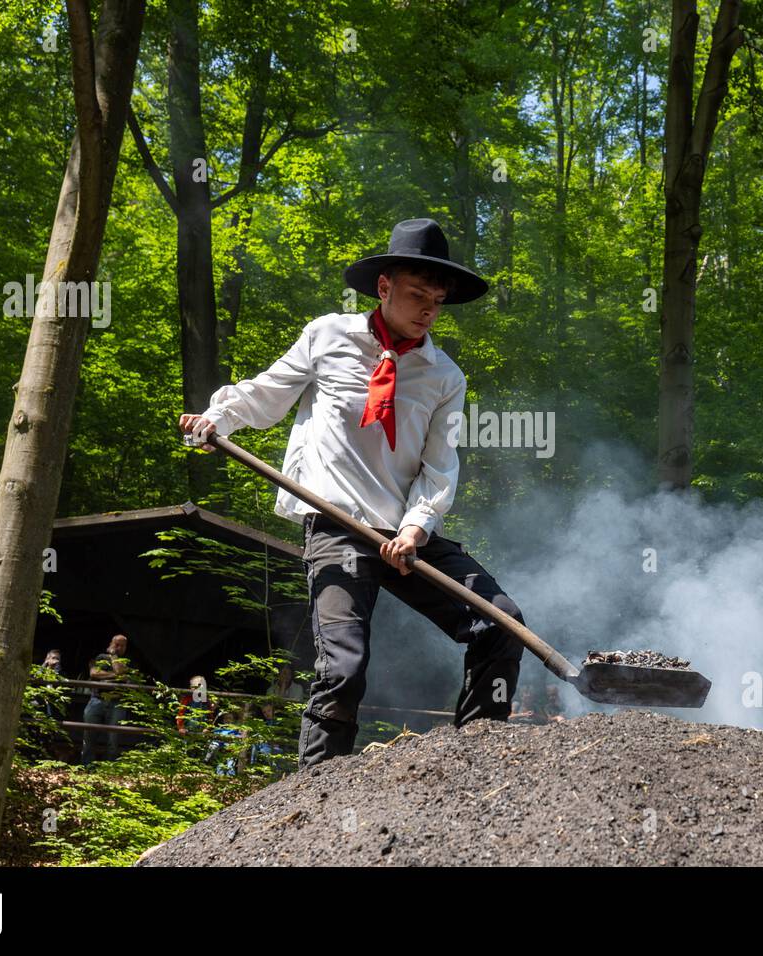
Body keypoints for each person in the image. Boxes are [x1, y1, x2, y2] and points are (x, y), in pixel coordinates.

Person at [180, 218, 526, 771]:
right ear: (384, 287)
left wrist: (415, 528)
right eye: (418, 295)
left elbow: (439, 469)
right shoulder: (326, 336)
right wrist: (215, 417)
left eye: (438, 300)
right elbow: (267, 395)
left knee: (502, 621)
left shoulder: (444, 376)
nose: (429, 310)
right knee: (342, 668)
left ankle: (476, 763)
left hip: (404, 534)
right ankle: (316, 793)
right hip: (336, 524)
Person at [81, 634, 130, 767]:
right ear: (111, 643)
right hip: (97, 699)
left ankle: (109, 769)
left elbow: (121, 672)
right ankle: (87, 766)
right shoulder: (101, 657)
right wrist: (116, 676)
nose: (119, 647)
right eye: (116, 644)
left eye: (122, 645)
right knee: (89, 735)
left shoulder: (128, 660)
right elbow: (94, 673)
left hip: (117, 702)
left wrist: (114, 657)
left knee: (113, 739)